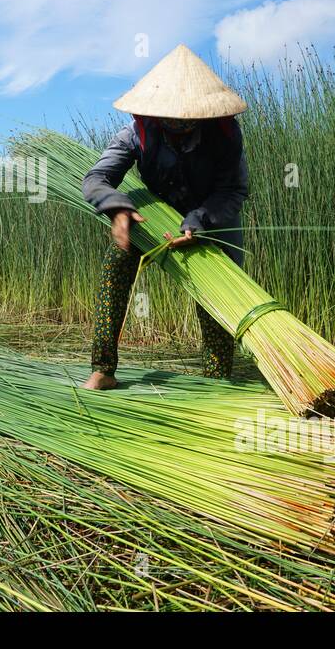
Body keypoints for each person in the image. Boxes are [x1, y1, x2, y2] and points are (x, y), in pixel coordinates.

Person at [81, 44, 249, 390]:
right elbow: (95, 179)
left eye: (188, 118)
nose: (180, 123)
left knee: (220, 291)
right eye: (172, 116)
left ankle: (218, 380)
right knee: (115, 269)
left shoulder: (225, 135)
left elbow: (233, 190)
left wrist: (199, 219)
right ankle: (103, 369)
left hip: (212, 218)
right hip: (154, 219)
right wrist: (117, 207)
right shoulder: (135, 135)